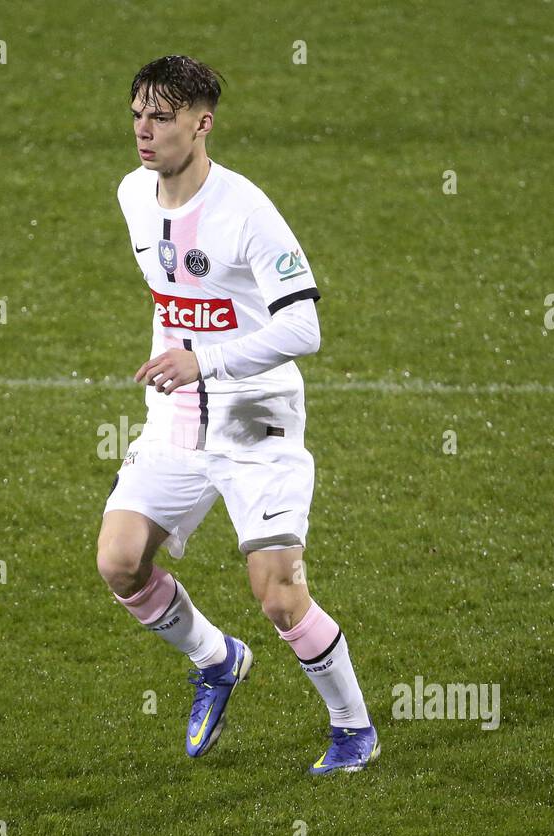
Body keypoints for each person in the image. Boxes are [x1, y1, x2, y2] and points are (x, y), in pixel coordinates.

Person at [96, 55, 379, 774]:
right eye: (137, 115)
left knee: (278, 595)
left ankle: (353, 728)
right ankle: (216, 659)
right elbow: (174, 300)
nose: (144, 131)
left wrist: (206, 359)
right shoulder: (133, 194)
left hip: (257, 420)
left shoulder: (246, 212)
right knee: (120, 561)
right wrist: (180, 363)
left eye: (161, 117)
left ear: (202, 123)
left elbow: (304, 329)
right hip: (177, 420)